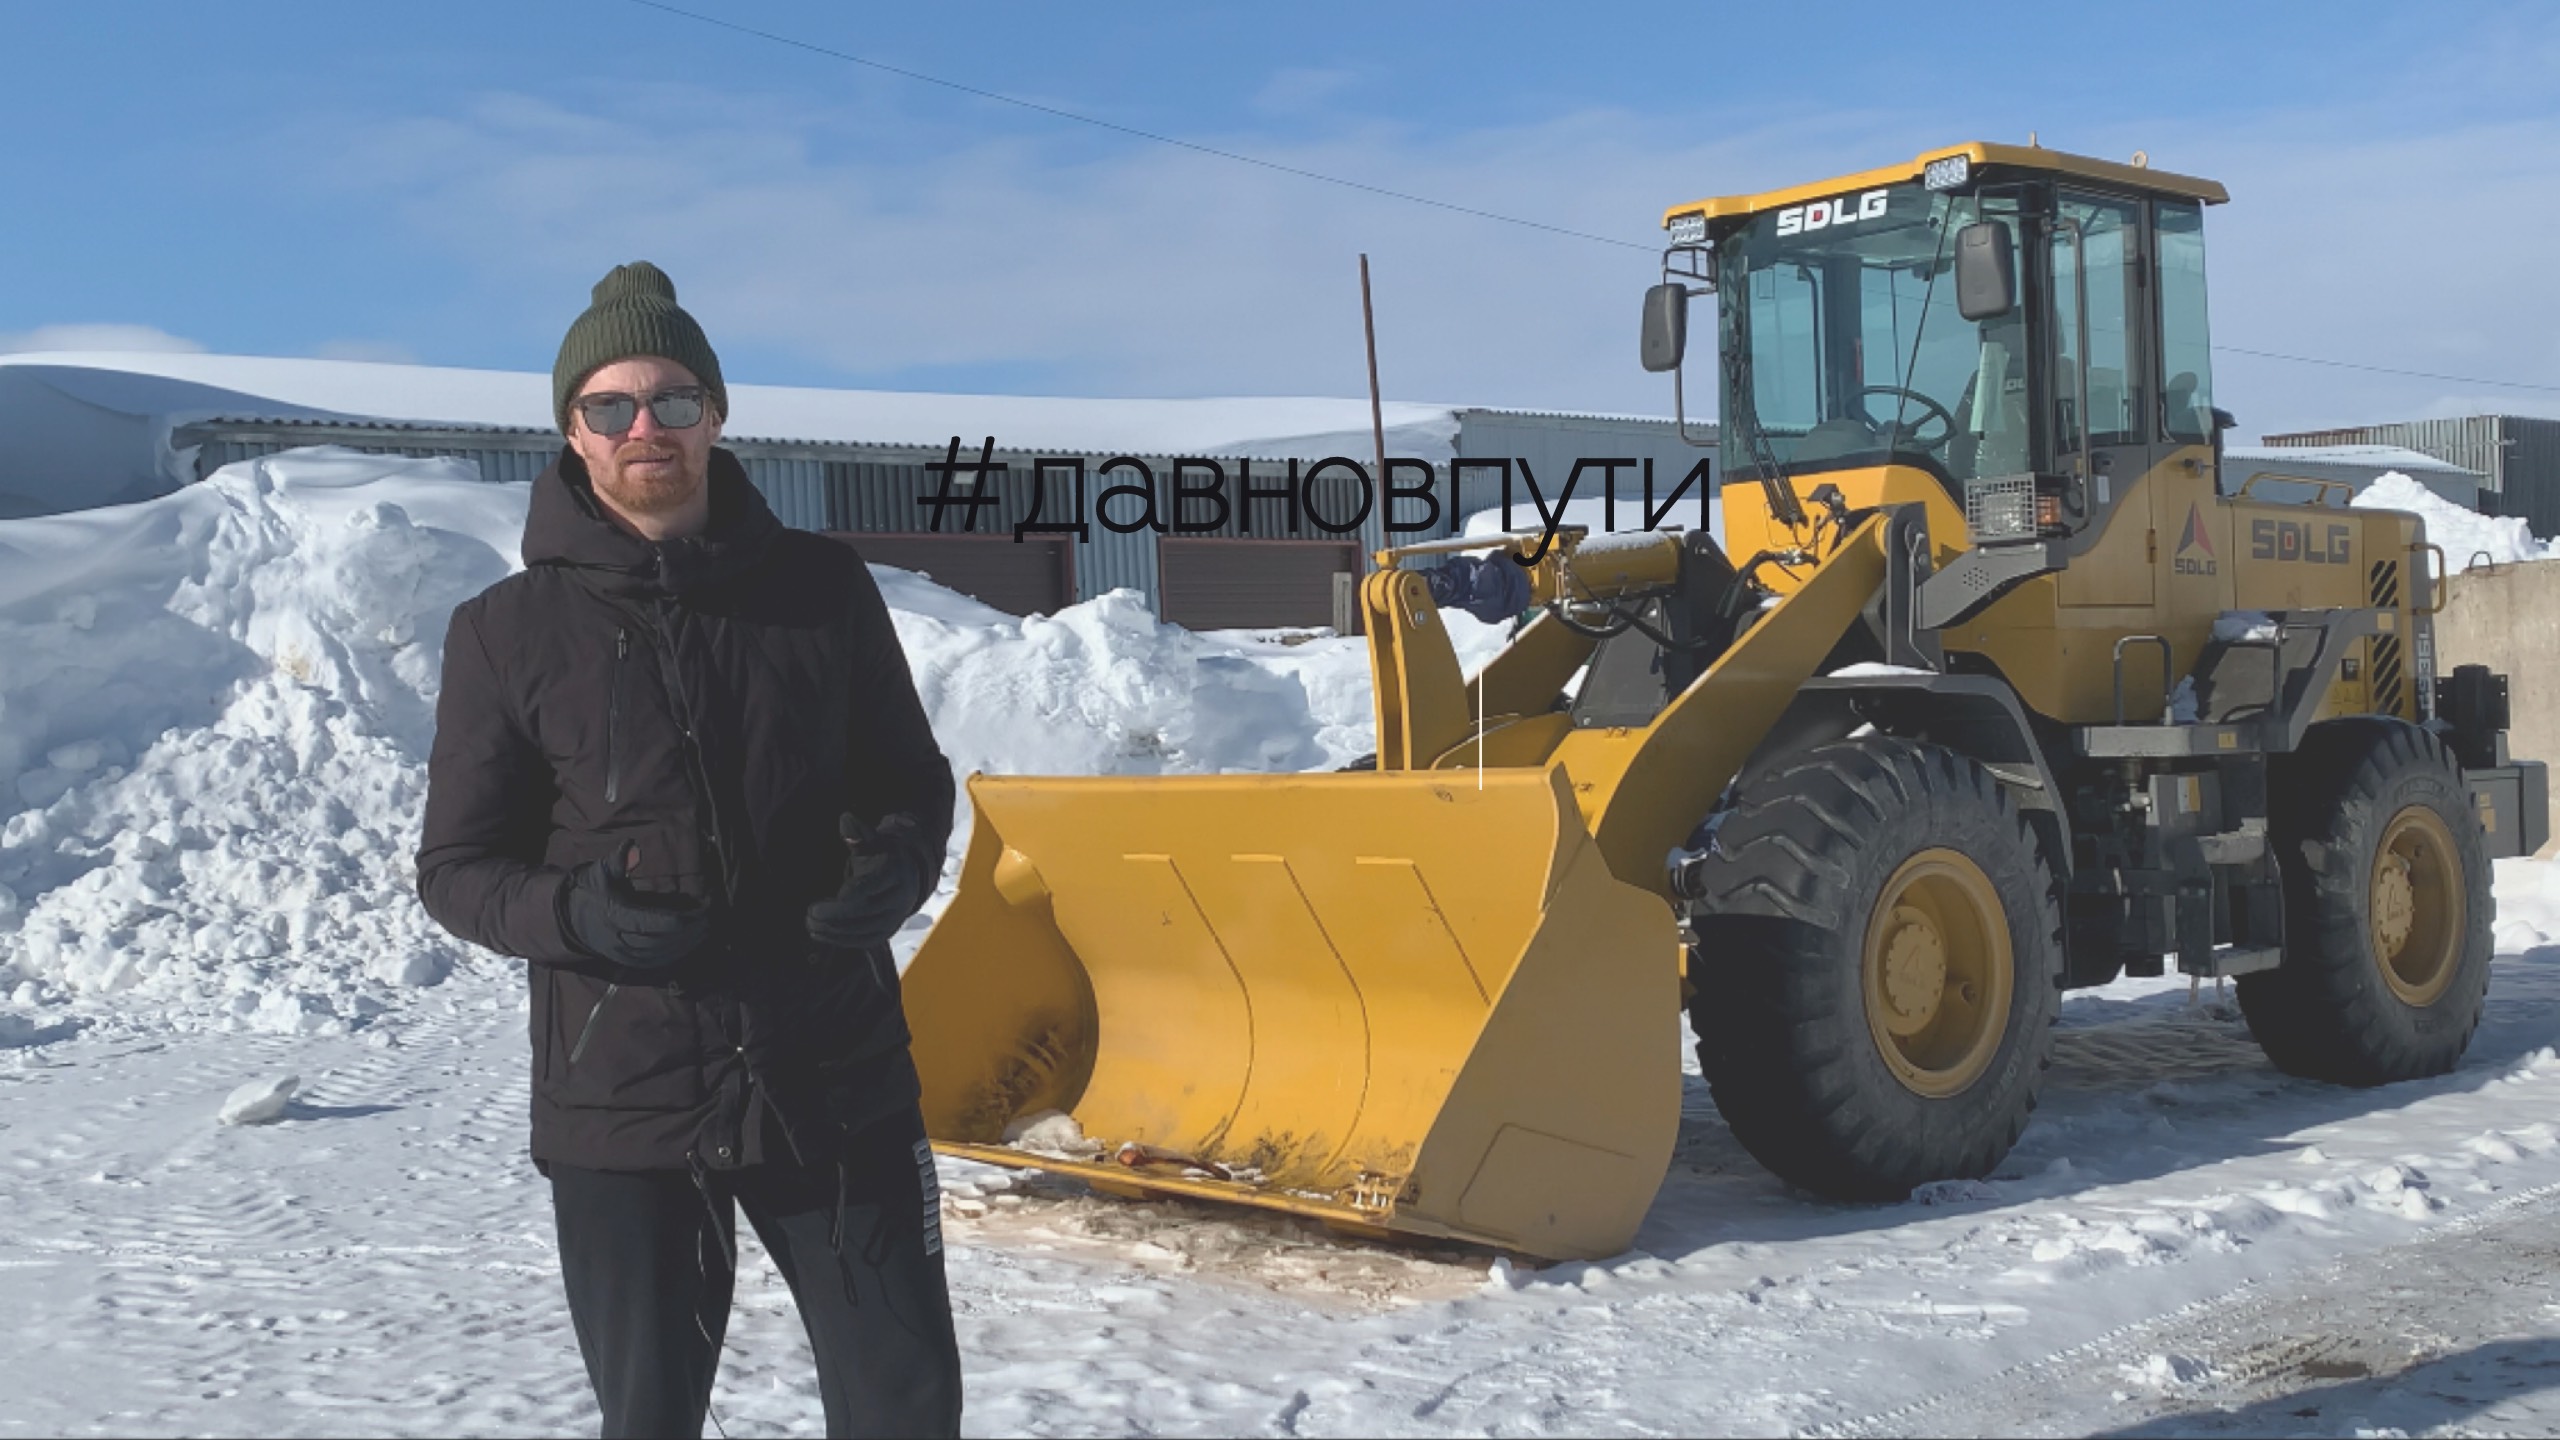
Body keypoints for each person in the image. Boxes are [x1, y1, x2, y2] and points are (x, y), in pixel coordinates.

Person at [416, 261, 963, 1439]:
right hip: (624, 1100)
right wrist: (574, 916)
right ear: (572, 430)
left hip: (836, 1075)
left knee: (905, 1403)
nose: (643, 428)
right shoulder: (506, 634)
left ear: (715, 412)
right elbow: (457, 868)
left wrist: (899, 863)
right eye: (609, 406)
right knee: (651, 1417)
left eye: (670, 398)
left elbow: (909, 779)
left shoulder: (823, 589)